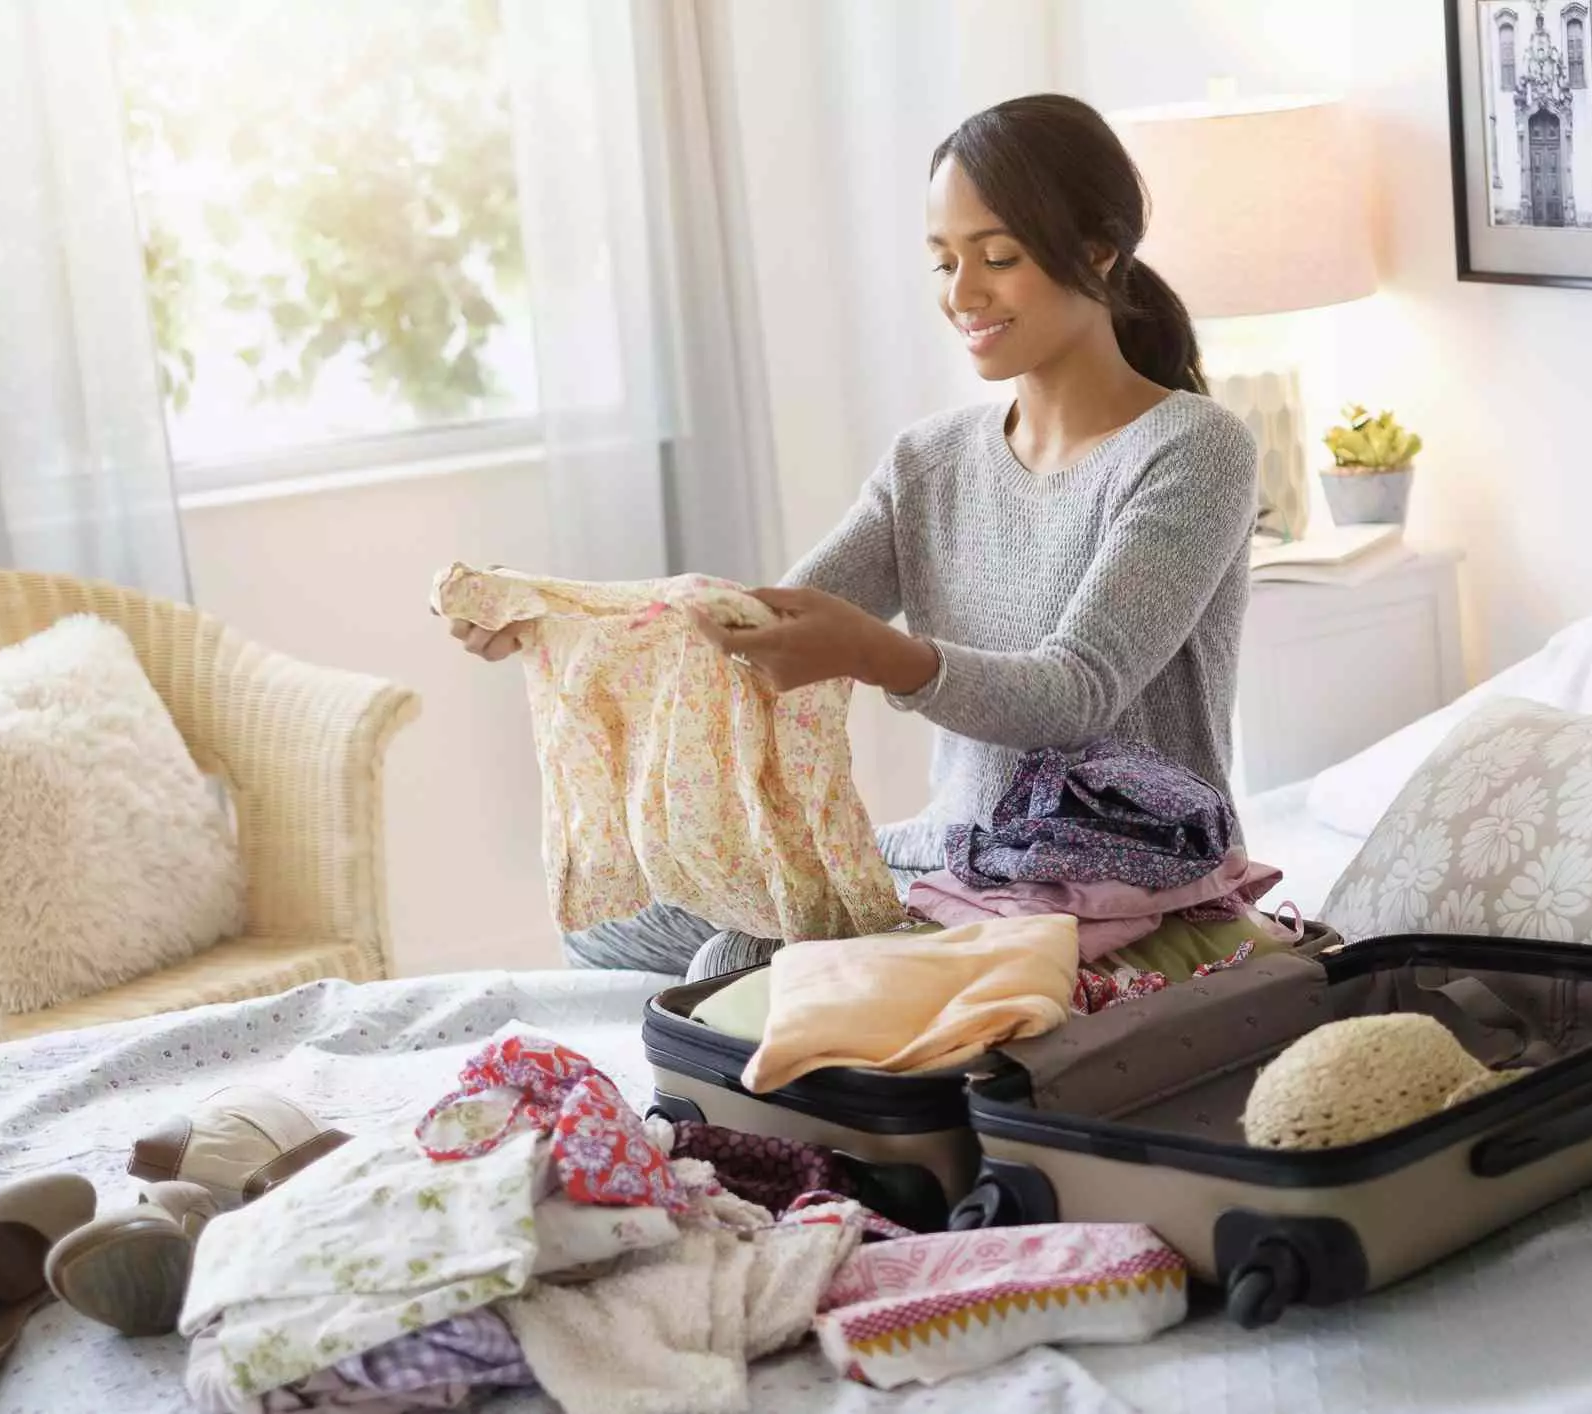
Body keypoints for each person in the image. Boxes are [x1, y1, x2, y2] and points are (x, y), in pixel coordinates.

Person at [446, 93, 1259, 981]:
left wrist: (879, 655)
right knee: (610, 927)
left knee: (740, 954)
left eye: (997, 257)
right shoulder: (930, 461)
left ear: (1098, 252)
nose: (962, 294)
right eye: (943, 262)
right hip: (955, 856)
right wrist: (553, 614)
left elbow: (1072, 696)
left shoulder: (1192, 449)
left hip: (1119, 873)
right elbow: (755, 631)